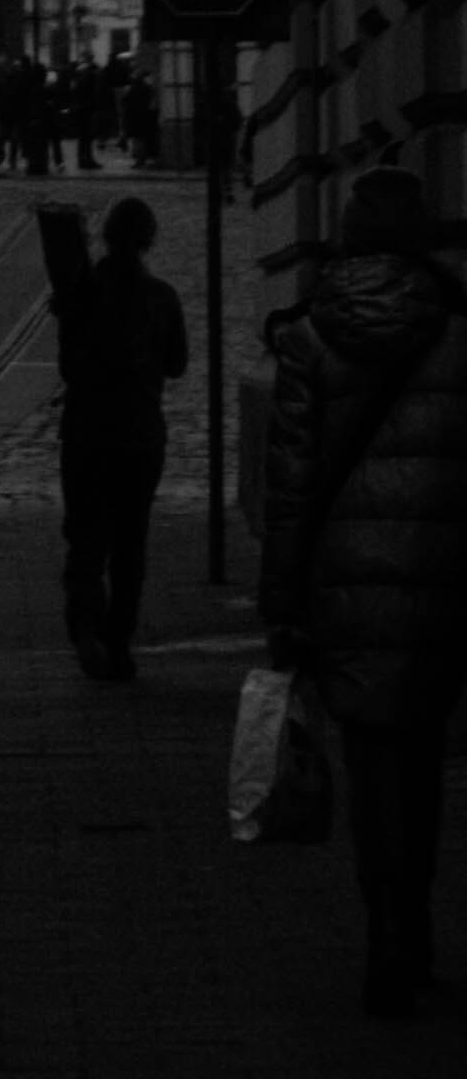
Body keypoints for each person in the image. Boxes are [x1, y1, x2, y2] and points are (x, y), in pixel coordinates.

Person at [257, 168, 467, 1018]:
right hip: (442, 583)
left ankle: (387, 929)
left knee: (375, 761)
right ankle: (411, 929)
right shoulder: (458, 328)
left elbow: (292, 482)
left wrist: (280, 603)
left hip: (344, 588)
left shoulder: (312, 335)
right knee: (420, 757)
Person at [52, 193, 187, 679]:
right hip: (140, 436)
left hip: (88, 433)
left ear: (106, 237)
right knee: (131, 544)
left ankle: (86, 632)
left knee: (86, 540)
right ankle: (119, 642)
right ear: (148, 240)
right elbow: (177, 364)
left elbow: (68, 367)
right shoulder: (163, 297)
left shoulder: (80, 293)